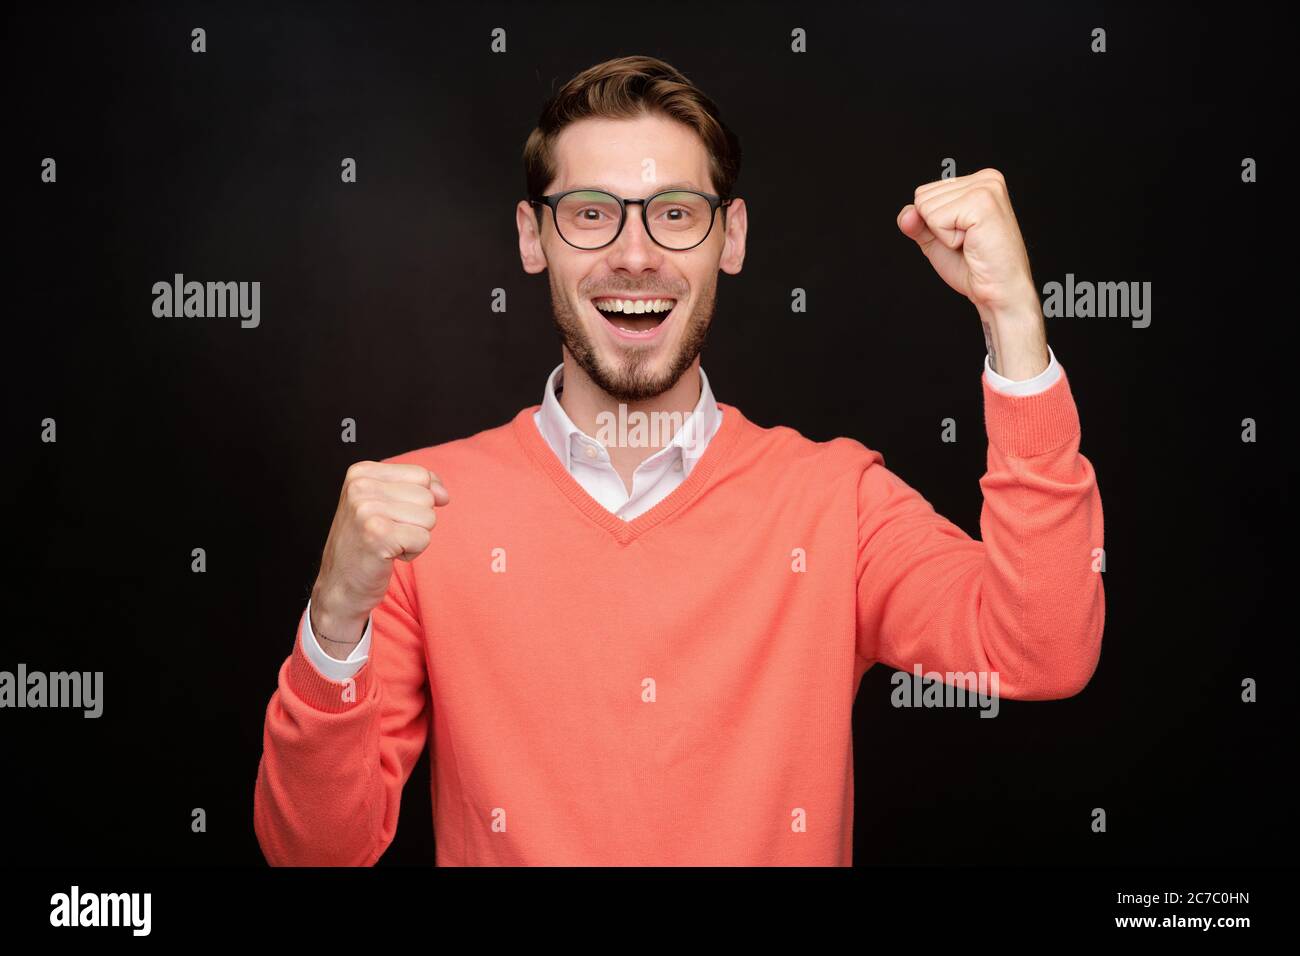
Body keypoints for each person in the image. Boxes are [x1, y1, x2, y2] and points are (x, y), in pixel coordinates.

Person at [254, 54, 1104, 866]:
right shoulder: (422, 518)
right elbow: (316, 851)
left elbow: (1043, 648)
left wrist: (1013, 320)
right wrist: (334, 623)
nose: (634, 254)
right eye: (591, 212)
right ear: (532, 236)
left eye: (675, 212)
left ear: (729, 238)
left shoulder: (833, 503)